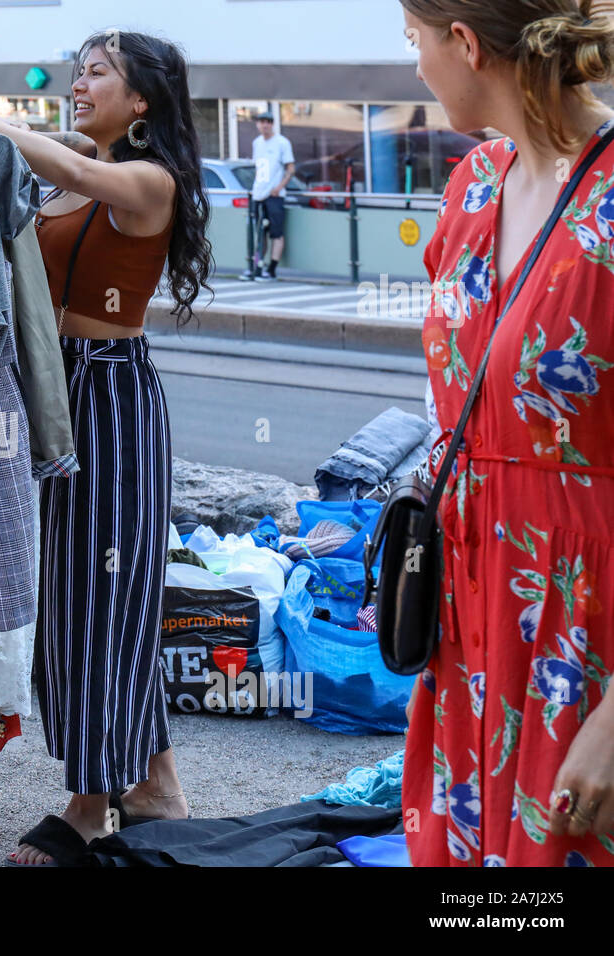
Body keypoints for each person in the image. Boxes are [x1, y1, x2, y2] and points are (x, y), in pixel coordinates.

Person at [0, 29, 213, 866]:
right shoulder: (74, 157)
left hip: (111, 395)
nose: (80, 84)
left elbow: (78, 173)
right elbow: (56, 161)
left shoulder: (145, 180)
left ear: (144, 101)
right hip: (50, 391)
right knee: (78, 597)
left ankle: (91, 804)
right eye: (77, 72)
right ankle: (156, 785)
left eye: (99, 74)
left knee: (97, 600)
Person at [400, 0, 614, 865]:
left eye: (413, 41)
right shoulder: (473, 183)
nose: (413, 66)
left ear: (463, 44)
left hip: (586, 624)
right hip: (471, 607)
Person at [248, 110, 295, 281]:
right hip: (258, 194)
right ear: (257, 124)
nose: (265, 125)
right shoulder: (257, 143)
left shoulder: (282, 143)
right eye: (262, 121)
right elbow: (258, 168)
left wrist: (279, 187)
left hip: (274, 196)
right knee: (260, 233)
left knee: (276, 233)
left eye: (268, 121)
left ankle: (272, 269)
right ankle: (257, 267)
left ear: (272, 124)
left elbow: (291, 169)